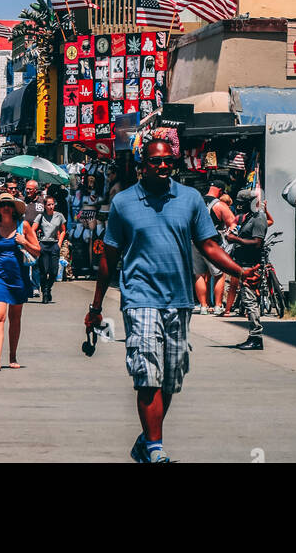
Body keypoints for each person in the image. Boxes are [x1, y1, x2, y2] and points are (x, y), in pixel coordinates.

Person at [85, 138, 257, 464]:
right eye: (155, 161)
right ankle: (155, 450)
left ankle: (145, 441)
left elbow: (208, 246)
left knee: (170, 378)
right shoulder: (123, 203)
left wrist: (240, 270)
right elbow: (109, 256)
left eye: (167, 162)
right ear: (142, 165)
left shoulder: (190, 199)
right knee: (147, 374)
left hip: (179, 301)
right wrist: (96, 307)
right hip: (139, 297)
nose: (163, 167)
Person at [0, 192, 41, 370]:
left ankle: (12, 356)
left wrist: (24, 242)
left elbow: (37, 251)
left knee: (15, 318)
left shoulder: (23, 226)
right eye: (2, 205)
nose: (6, 207)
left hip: (18, 277)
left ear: (14, 208)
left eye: (8, 205)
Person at [223, 190, 270, 349]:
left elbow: (257, 242)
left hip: (251, 265)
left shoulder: (259, 218)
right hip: (243, 263)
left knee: (250, 301)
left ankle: (256, 337)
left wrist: (236, 239)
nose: (238, 206)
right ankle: (253, 336)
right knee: (247, 300)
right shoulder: (248, 218)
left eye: (242, 203)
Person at [34, 192, 66, 303]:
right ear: (45, 206)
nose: (51, 206)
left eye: (52, 204)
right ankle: (45, 292)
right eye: (48, 204)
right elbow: (32, 230)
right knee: (44, 271)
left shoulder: (59, 216)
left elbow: (63, 230)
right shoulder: (41, 216)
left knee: (54, 272)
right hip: (43, 244)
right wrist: (37, 243)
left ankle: (48, 288)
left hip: (54, 245)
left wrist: (59, 243)